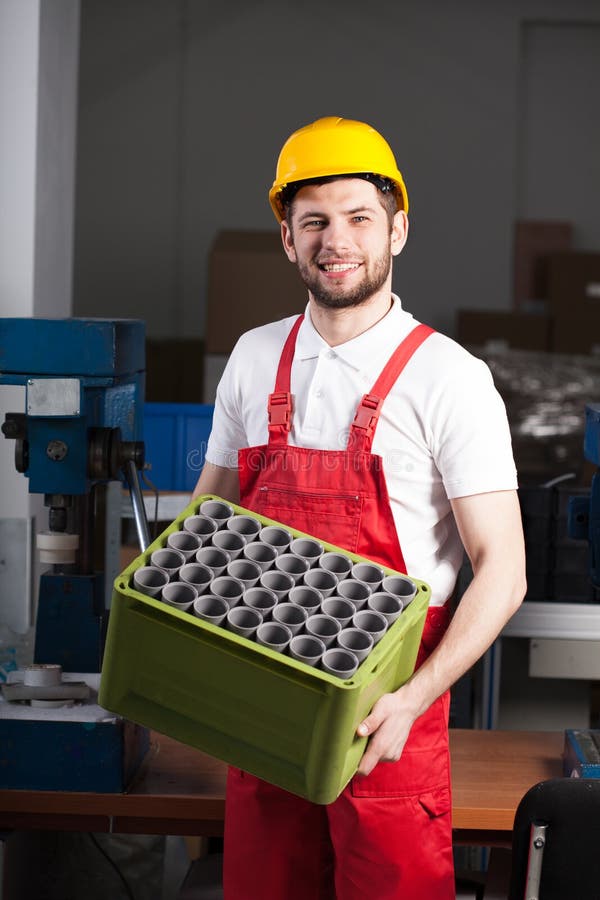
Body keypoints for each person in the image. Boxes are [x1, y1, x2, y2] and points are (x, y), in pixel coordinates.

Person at [192, 116, 526, 899]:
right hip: (263, 704)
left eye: (358, 218)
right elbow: (209, 525)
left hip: (392, 718)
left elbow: (502, 571)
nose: (335, 239)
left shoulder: (450, 377)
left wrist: (413, 700)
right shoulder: (253, 357)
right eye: (314, 221)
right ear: (287, 238)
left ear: (397, 230)